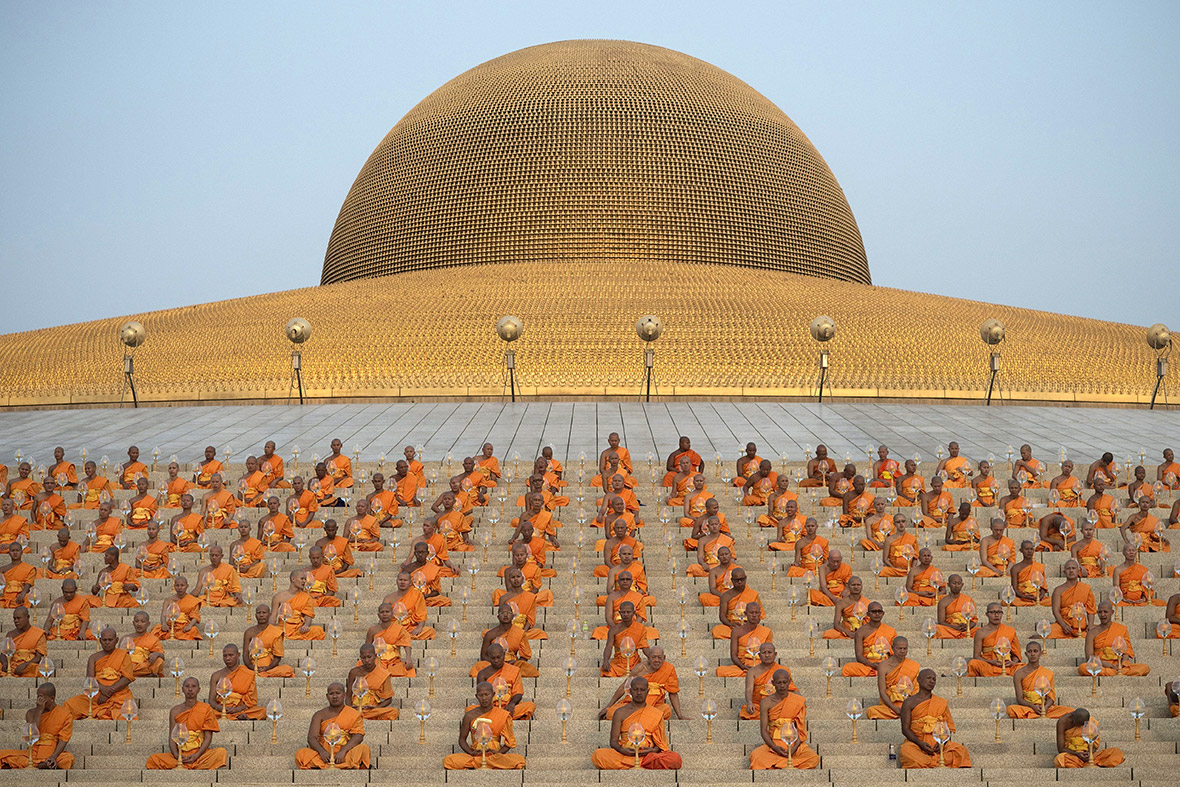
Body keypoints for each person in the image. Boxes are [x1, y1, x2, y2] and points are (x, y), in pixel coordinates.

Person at [592, 676, 682, 770]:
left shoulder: (656, 714)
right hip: (626, 753)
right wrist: (622, 750)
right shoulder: (620, 712)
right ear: (630, 691)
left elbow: (661, 743)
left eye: (642, 690)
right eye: (635, 689)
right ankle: (642, 764)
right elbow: (613, 741)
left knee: (675, 759)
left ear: (647, 692)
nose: (639, 693)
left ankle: (636, 764)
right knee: (598, 756)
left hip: (647, 755)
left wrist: (652, 750)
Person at [144, 677, 228, 770]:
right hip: (181, 753)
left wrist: (196, 755)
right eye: (187, 686)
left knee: (221, 752)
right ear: (183, 689)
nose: (190, 689)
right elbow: (172, 737)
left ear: (199, 690)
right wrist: (177, 756)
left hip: (200, 755)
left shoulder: (206, 709)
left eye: (194, 686)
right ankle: (187, 765)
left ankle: (192, 765)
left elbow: (208, 738)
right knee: (154, 759)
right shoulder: (175, 711)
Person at [443, 681, 526, 770]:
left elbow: (509, 742)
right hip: (476, 755)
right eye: (480, 695)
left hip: (495, 755)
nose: (484, 698)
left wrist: (498, 752)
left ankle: (480, 764)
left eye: (487, 694)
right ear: (476, 696)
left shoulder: (502, 714)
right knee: (448, 760)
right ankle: (486, 763)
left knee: (519, 760)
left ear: (493, 694)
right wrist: (471, 752)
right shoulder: (469, 716)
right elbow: (462, 740)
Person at [748, 668, 819, 769]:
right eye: (779, 683)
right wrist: (774, 747)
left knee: (813, 758)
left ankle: (779, 764)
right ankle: (788, 764)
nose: (782, 686)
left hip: (794, 744)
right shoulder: (765, 702)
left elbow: (801, 729)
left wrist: (794, 748)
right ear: (773, 683)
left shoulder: (797, 701)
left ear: (789, 682)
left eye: (785, 682)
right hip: (774, 745)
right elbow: (763, 730)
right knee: (756, 757)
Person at [899, 670, 971, 768]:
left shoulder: (940, 702)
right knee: (906, 751)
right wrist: (920, 743)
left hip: (938, 744)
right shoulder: (909, 702)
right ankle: (937, 762)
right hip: (916, 743)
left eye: (934, 679)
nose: (932, 681)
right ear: (918, 680)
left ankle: (928, 762)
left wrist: (942, 742)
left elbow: (948, 728)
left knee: (961, 750)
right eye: (928, 678)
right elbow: (905, 729)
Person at [62, 627, 135, 719]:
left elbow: (127, 678)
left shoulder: (124, 655)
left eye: (110, 640)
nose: (107, 642)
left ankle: (103, 712)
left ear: (116, 640)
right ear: (100, 641)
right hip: (97, 695)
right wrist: (103, 690)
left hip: (119, 695)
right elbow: (90, 680)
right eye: (104, 640)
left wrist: (109, 692)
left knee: (127, 711)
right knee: (69, 704)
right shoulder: (93, 658)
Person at [295, 683, 370, 769]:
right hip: (324, 756)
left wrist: (343, 751)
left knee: (364, 749)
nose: (335, 696)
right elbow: (312, 737)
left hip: (345, 754)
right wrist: (322, 752)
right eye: (331, 694)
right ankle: (345, 766)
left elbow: (358, 735)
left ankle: (327, 767)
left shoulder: (353, 714)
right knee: (301, 754)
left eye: (338, 693)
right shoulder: (319, 715)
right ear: (327, 696)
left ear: (344, 695)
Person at [0, 683, 74, 769]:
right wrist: (39, 711)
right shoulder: (31, 713)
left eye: (42, 697)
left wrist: (54, 756)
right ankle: (42, 765)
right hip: (33, 752)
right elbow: (32, 734)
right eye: (38, 696)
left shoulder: (65, 715)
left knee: (68, 759)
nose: (39, 700)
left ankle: (43, 764)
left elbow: (63, 739)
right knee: (2, 755)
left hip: (52, 751)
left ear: (52, 699)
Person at [600, 647, 684, 720]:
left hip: (654, 706)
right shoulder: (640, 669)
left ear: (664, 658)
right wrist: (609, 706)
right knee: (612, 712)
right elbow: (624, 686)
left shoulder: (669, 669)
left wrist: (680, 715)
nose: (656, 660)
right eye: (653, 657)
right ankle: (643, 717)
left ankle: (637, 717)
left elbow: (673, 693)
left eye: (659, 657)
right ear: (648, 657)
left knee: (666, 709)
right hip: (634, 705)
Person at [1006, 640, 1072, 718]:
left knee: (1071, 711)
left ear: (1040, 653)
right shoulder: (1019, 674)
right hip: (1029, 707)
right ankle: (1034, 714)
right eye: (1030, 651)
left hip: (1046, 708)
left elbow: (1051, 697)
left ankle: (1034, 715)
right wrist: (1033, 706)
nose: (1033, 654)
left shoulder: (1047, 673)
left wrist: (1045, 707)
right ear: (1026, 654)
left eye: (1035, 651)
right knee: (1011, 709)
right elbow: (1019, 699)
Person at [1081, 601, 1149, 675]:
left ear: (1112, 612)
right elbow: (1089, 657)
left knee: (1144, 668)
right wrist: (1103, 663)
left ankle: (1114, 672)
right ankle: (1114, 673)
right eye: (1100, 612)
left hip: (1118, 664)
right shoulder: (1091, 633)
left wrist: (1121, 664)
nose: (1102, 615)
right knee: (1082, 668)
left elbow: (1126, 651)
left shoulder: (1121, 629)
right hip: (1100, 665)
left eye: (1105, 612)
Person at [473, 643, 535, 719]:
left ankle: (500, 716)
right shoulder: (482, 674)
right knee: (470, 710)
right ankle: (503, 717)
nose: (496, 660)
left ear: (504, 655)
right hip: (490, 708)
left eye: (499, 657)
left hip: (508, 707)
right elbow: (482, 696)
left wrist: (512, 704)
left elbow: (518, 693)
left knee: (530, 706)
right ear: (489, 657)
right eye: (493, 658)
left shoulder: (514, 670)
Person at [472, 604, 535, 677]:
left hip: (511, 663)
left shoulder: (520, 633)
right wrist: (496, 662)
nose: (505, 615)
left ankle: (506, 671)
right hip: (494, 664)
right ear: (498, 617)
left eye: (508, 613)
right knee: (479, 666)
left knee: (527, 668)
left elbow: (525, 656)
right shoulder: (490, 634)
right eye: (502, 613)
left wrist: (516, 662)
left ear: (512, 616)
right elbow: (483, 656)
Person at [865, 636, 919, 719]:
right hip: (890, 706)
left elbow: (916, 692)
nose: (902, 651)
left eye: (905, 648)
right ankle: (901, 714)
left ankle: (906, 713)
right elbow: (882, 692)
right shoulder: (883, 666)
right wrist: (894, 708)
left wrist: (907, 707)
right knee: (871, 711)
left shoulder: (912, 666)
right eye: (899, 648)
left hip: (907, 704)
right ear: (893, 648)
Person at [208, 644, 265, 720]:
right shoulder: (216, 675)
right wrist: (221, 708)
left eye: (231, 655)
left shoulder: (248, 673)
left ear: (238, 655)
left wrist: (237, 709)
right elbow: (211, 700)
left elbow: (251, 700)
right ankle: (238, 716)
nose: (228, 658)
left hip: (240, 708)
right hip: (222, 708)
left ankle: (238, 715)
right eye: (225, 656)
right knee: (206, 712)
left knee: (262, 711)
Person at [346, 643, 401, 720]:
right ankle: (357, 715)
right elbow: (348, 695)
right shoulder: (354, 672)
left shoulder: (383, 674)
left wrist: (376, 708)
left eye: (369, 657)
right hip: (356, 706)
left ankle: (361, 716)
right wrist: (350, 708)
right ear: (360, 658)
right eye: (363, 658)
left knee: (393, 712)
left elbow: (389, 699)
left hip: (372, 709)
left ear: (375, 656)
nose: (367, 660)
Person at [716, 601, 772, 677]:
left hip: (760, 665)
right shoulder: (736, 631)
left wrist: (761, 667)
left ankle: (757, 674)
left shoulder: (767, 631)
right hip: (743, 666)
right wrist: (742, 666)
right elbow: (733, 655)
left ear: (760, 614)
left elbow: (768, 655)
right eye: (751, 613)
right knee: (720, 671)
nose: (754, 615)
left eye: (756, 613)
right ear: (745, 614)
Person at [1054, 708, 1125, 767]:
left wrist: (1089, 754)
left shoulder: (1090, 722)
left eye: (1083, 725)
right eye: (1078, 724)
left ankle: (1086, 764)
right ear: (1072, 718)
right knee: (1060, 759)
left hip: (1089, 755)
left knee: (1116, 752)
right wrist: (1077, 754)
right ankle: (1089, 764)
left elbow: (1094, 746)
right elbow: (1061, 749)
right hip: (1073, 755)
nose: (1080, 727)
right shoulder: (1062, 722)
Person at [739, 643, 793, 719]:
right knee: (747, 712)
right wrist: (749, 703)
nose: (767, 655)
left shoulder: (783, 670)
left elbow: (792, 688)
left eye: (769, 652)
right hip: (759, 705)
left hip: (778, 704)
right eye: (764, 652)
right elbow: (749, 689)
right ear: (759, 655)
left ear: (775, 654)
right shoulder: (752, 671)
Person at [966, 602, 1022, 676]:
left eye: (999, 612)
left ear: (1002, 614)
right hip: (988, 664)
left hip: (1007, 665)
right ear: (987, 614)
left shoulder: (1010, 631)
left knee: (1023, 667)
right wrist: (991, 662)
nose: (996, 615)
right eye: (992, 612)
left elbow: (1016, 654)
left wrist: (1013, 663)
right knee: (973, 663)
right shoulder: (981, 632)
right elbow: (976, 656)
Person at [842, 602, 895, 676]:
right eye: (873, 612)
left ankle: (882, 671)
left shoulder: (891, 631)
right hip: (868, 665)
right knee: (847, 668)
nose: (877, 614)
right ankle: (878, 672)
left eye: (879, 612)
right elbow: (859, 656)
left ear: (883, 613)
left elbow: (894, 654)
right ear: (868, 614)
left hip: (885, 663)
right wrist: (871, 664)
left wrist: (886, 664)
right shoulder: (860, 632)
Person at [1047, 559, 1097, 639]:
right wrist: (1063, 625)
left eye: (1073, 568)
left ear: (1078, 571)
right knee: (1047, 632)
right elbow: (1055, 610)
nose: (1071, 570)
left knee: (1098, 632)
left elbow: (1091, 610)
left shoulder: (1085, 588)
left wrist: (1090, 625)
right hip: (1063, 625)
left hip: (1081, 626)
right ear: (1064, 572)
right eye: (1068, 568)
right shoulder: (1058, 590)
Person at [243, 604, 295, 677]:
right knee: (241, 670)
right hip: (253, 665)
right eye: (259, 613)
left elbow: (278, 655)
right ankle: (257, 673)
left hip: (270, 667)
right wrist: (251, 666)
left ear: (269, 615)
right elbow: (245, 653)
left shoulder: (275, 632)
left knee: (287, 669)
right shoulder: (249, 632)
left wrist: (268, 667)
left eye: (264, 613)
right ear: (255, 615)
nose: (261, 615)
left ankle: (263, 673)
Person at [270, 570, 325, 640]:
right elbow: (273, 616)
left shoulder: (307, 597)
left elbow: (308, 616)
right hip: (282, 628)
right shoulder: (278, 597)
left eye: (305, 579)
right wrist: (269, 629)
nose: (304, 581)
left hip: (298, 629)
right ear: (293, 579)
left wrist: (306, 625)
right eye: (302, 579)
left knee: (318, 630)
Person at [384, 570, 436, 638]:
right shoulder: (388, 598)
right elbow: (383, 616)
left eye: (405, 580)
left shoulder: (416, 595)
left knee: (430, 631)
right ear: (397, 581)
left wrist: (419, 628)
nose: (402, 582)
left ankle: (403, 637)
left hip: (410, 628)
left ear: (410, 582)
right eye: (400, 580)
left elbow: (421, 614)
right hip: (394, 627)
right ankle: (403, 637)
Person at [601, 601, 649, 676]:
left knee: (645, 670)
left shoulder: (640, 628)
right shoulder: (614, 629)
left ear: (634, 613)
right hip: (619, 662)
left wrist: (652, 658)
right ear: (619, 613)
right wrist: (606, 661)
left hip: (635, 662)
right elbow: (608, 647)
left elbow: (645, 647)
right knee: (607, 671)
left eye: (628, 612)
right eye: (623, 612)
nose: (626, 614)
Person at [713, 568, 762, 639]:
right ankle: (739, 636)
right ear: (732, 580)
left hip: (749, 626)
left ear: (745, 579)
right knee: (717, 630)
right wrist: (731, 624)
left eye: (742, 579)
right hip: (732, 627)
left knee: (761, 631)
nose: (739, 582)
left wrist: (749, 625)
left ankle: (743, 635)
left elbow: (759, 615)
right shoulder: (726, 596)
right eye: (737, 580)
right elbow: (722, 616)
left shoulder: (753, 594)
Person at [153, 575, 203, 640]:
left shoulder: (193, 600)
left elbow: (195, 616)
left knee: (194, 630)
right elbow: (163, 615)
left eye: (182, 585)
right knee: (157, 628)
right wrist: (164, 624)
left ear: (187, 586)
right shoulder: (168, 600)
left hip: (184, 626)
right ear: (174, 586)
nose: (179, 588)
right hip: (171, 625)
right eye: (177, 585)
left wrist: (190, 625)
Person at [0, 607, 45, 677]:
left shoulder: (38, 633)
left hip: (28, 664)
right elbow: (3, 654)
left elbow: (39, 657)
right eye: (14, 618)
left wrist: (26, 664)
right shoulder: (10, 634)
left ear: (28, 617)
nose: (16, 621)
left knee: (38, 669)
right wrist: (5, 663)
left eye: (18, 618)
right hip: (12, 663)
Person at [934, 574, 976, 639]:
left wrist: (967, 627)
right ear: (948, 585)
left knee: (980, 631)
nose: (956, 586)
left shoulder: (968, 600)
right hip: (950, 629)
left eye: (959, 583)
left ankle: (963, 634)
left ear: (962, 585)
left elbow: (974, 620)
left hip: (966, 629)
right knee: (938, 628)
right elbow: (941, 622)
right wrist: (955, 627)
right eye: (954, 583)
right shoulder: (943, 602)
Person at [1008, 540, 1050, 606]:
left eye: (1031, 549)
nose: (1029, 551)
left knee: (1052, 600)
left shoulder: (1039, 566)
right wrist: (1024, 596)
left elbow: (1043, 587)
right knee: (1010, 601)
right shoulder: (1015, 568)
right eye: (1027, 549)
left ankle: (1036, 602)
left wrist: (1040, 597)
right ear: (1021, 550)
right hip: (1023, 597)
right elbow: (1015, 589)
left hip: (1037, 596)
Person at [127, 611, 165, 676]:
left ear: (148, 623)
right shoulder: (126, 638)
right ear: (133, 623)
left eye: (143, 621)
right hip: (130, 664)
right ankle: (147, 673)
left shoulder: (154, 639)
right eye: (136, 621)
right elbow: (120, 654)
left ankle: (141, 672)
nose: (139, 624)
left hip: (146, 664)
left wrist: (157, 654)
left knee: (159, 661)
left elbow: (162, 656)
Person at [0, 542, 35, 608]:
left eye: (17, 550)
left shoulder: (29, 568)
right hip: (6, 597)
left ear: (21, 552)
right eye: (13, 551)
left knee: (28, 598)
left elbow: (28, 583)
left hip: (20, 596)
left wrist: (23, 593)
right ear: (9, 553)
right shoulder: (2, 569)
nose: (15, 553)